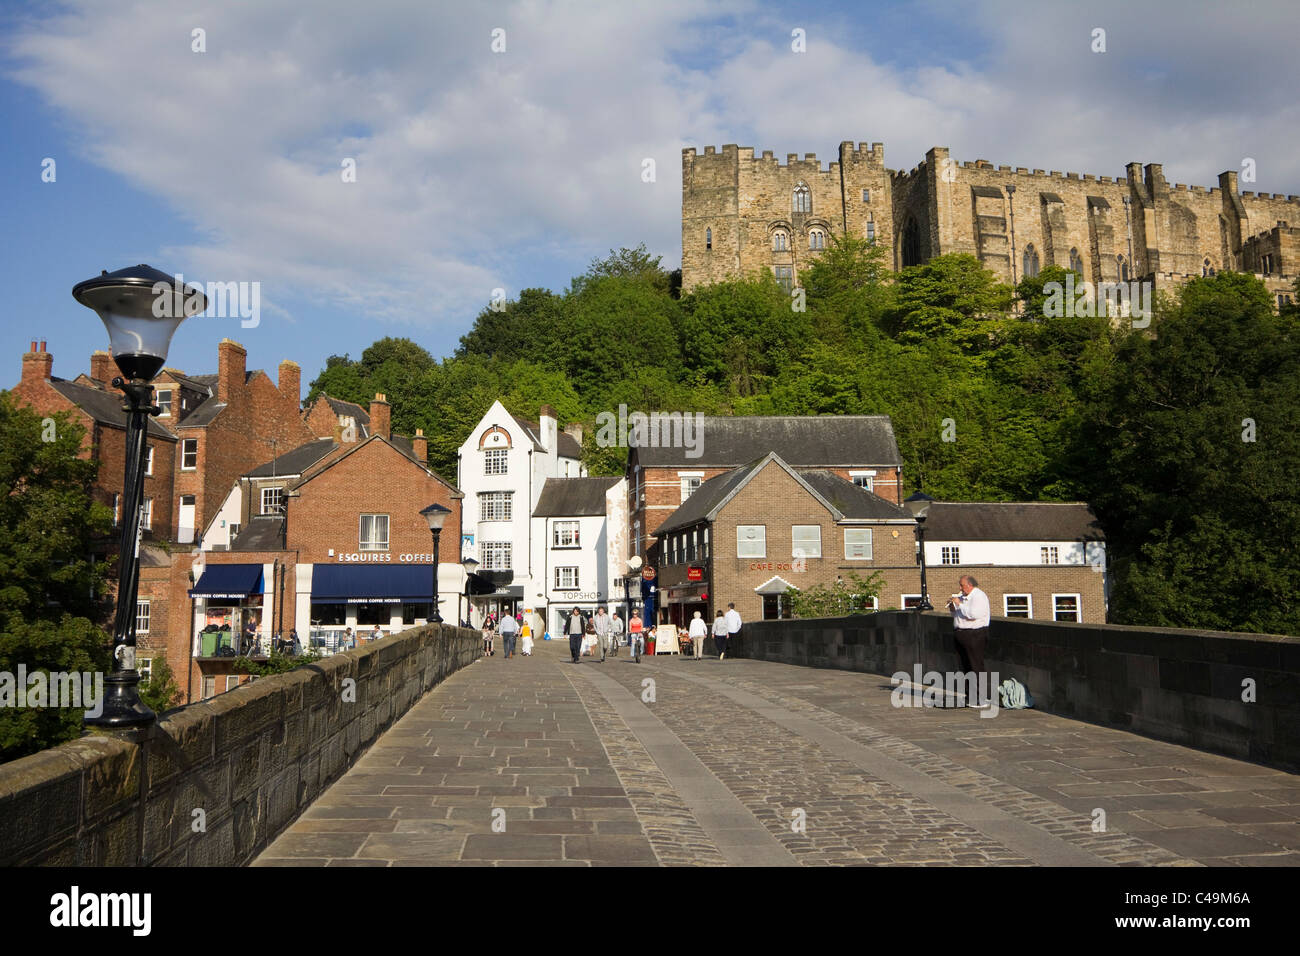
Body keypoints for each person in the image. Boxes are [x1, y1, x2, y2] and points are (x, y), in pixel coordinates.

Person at [947, 575, 992, 706]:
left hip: (975, 634)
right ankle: (971, 696)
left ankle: (982, 698)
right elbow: (958, 615)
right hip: (961, 633)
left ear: (970, 585)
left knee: (976, 665)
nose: (960, 588)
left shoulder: (979, 596)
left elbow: (974, 614)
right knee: (965, 665)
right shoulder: (963, 597)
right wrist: (953, 607)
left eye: (962, 585)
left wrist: (959, 604)